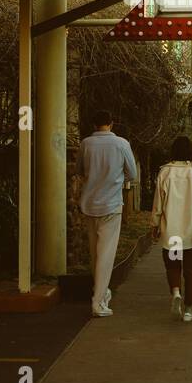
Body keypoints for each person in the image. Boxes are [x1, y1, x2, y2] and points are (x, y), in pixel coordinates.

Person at [75, 109, 138, 317]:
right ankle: (98, 301)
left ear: (94, 125)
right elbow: (133, 173)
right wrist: (119, 179)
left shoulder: (86, 144)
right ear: (111, 123)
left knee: (95, 253)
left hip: (89, 204)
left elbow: (80, 170)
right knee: (106, 254)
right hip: (111, 204)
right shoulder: (121, 144)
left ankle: (101, 291)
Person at [151, 135, 192, 323]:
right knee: (191, 270)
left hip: (172, 231)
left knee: (173, 265)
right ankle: (188, 309)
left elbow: (158, 204)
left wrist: (154, 224)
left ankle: (176, 291)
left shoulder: (165, 173)